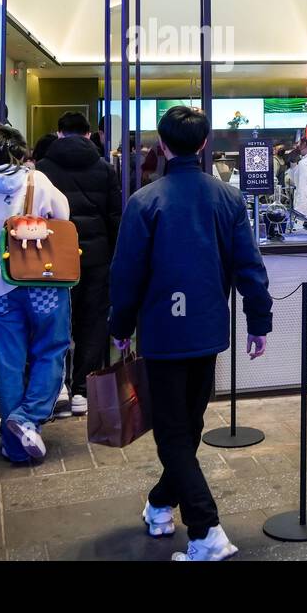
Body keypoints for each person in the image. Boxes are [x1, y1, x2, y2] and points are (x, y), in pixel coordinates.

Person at [109, 106, 272, 561]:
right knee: (186, 427)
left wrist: (120, 327)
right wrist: (259, 321)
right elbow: (248, 267)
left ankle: (205, 530)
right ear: (204, 144)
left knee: (176, 432)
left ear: (162, 145)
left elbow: (127, 275)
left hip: (162, 334)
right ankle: (162, 505)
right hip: (207, 331)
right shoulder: (228, 198)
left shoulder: (144, 201)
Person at [0, 125, 71, 464]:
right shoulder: (38, 182)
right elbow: (63, 218)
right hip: (44, 282)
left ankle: (14, 446)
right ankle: (28, 417)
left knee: (8, 361)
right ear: (20, 156)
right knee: (51, 347)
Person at [37, 111, 121, 417]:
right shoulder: (104, 168)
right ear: (89, 135)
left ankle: (57, 390)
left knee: (57, 320)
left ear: (59, 133)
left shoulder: (42, 170)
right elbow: (114, 218)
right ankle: (82, 392)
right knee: (93, 322)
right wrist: (114, 256)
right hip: (97, 258)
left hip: (55, 259)